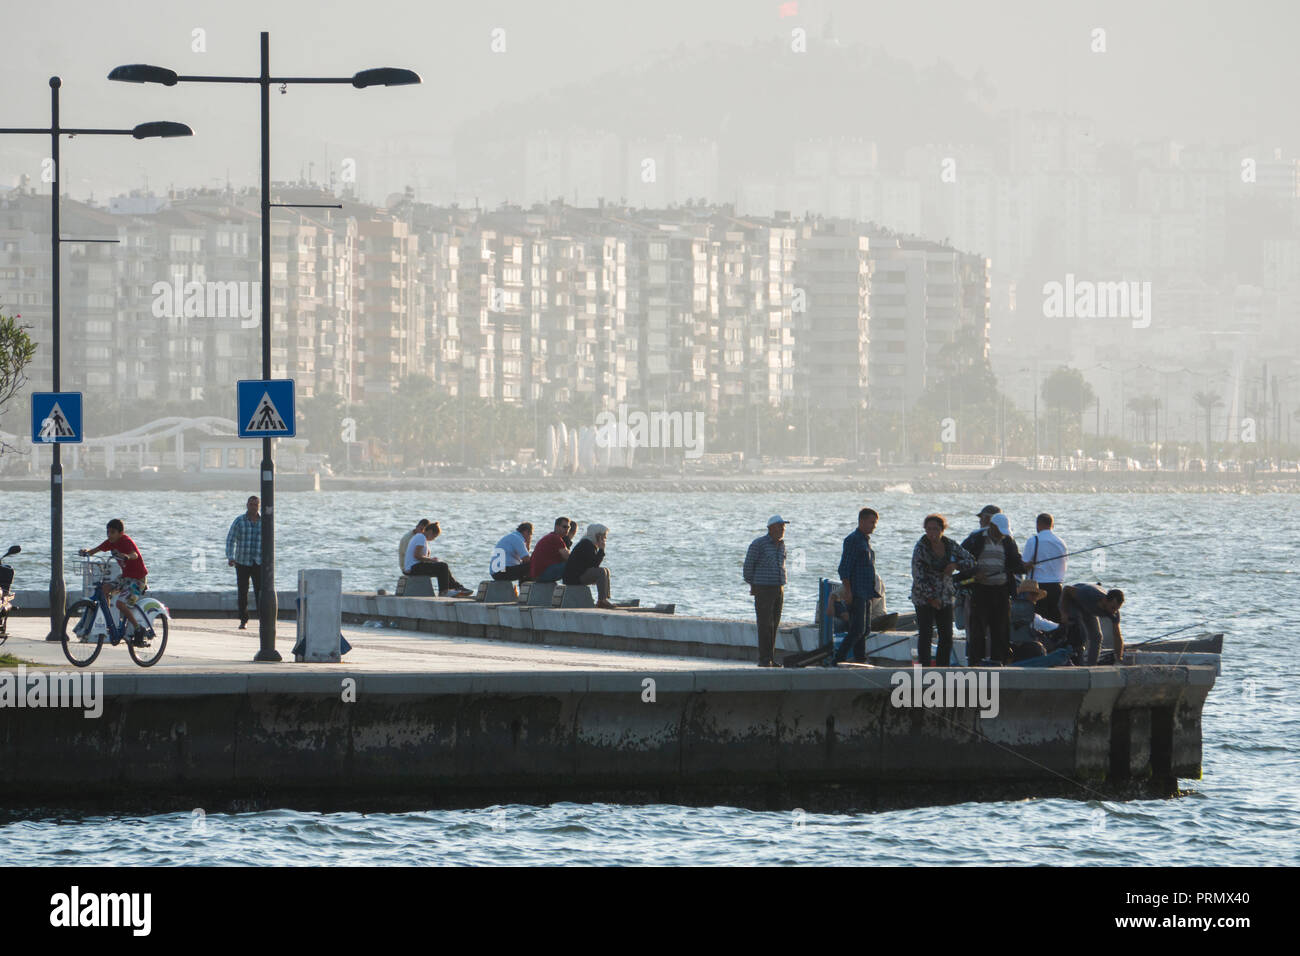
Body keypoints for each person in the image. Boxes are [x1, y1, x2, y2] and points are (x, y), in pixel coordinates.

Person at [910, 513, 976, 666]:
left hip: (946, 596)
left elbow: (971, 561)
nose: (932, 533)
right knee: (925, 634)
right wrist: (931, 598)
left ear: (942, 530)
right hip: (924, 598)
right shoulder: (920, 549)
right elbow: (918, 576)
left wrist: (956, 566)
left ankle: (942, 667)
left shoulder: (950, 545)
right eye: (929, 529)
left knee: (946, 635)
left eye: (935, 529)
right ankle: (924, 668)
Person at [962, 512, 1027, 664]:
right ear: (992, 526)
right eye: (999, 531)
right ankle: (975, 662)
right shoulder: (976, 538)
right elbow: (961, 558)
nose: (1001, 535)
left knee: (1001, 629)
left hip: (1001, 591)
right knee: (978, 629)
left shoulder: (1008, 541)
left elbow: (1015, 564)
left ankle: (999, 661)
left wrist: (1025, 566)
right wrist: (975, 572)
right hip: (980, 590)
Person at [78, 518, 149, 643]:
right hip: (125, 577)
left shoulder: (125, 542)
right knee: (104, 589)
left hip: (138, 580)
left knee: (120, 604)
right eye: (108, 532)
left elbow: (135, 555)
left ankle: (138, 629)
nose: (109, 535)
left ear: (120, 533)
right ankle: (109, 622)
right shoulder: (110, 542)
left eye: (113, 532)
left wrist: (127, 556)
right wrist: (86, 552)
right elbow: (95, 550)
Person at [835, 508, 879, 664]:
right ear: (861, 521)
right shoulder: (853, 540)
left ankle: (860, 659)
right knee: (857, 630)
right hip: (856, 592)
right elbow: (844, 569)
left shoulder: (865, 541)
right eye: (871, 522)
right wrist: (848, 592)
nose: (874, 526)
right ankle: (838, 659)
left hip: (866, 592)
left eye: (875, 523)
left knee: (865, 630)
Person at [743, 515, 788, 668]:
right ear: (770, 528)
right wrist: (754, 584)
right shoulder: (759, 544)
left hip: (778, 587)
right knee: (764, 624)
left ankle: (770, 657)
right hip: (763, 588)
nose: (782, 529)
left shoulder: (782, 545)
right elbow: (748, 567)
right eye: (779, 526)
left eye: (783, 526)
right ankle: (764, 659)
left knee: (774, 624)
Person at [403, 520, 472, 597]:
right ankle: (444, 591)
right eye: (434, 536)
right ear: (430, 531)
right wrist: (431, 560)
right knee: (443, 566)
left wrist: (431, 560)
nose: (433, 539)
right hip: (413, 568)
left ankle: (457, 587)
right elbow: (417, 556)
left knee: (442, 567)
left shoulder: (420, 538)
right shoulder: (421, 537)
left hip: (414, 567)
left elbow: (420, 557)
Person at [1060, 584, 1125, 665]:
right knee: (1081, 634)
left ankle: (1092, 665)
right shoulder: (1089, 594)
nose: (1114, 612)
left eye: (1117, 609)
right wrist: (1063, 612)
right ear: (1105, 600)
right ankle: (1076, 662)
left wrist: (1119, 658)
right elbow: (1066, 589)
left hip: (1088, 610)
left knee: (1097, 637)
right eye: (1112, 608)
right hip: (1072, 603)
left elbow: (1117, 636)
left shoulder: (1114, 614)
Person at [225, 495, 263, 630]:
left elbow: (270, 542)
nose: (253, 507)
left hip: (258, 562)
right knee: (243, 592)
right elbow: (231, 539)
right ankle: (243, 619)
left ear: (259, 506)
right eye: (251, 504)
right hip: (242, 561)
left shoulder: (264, 522)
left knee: (260, 592)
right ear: (247, 505)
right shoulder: (239, 521)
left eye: (255, 505)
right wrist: (230, 556)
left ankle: (262, 619)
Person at [1023, 513, 1068, 623]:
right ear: (1052, 525)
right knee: (1054, 623)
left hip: (1037, 589)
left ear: (1038, 524)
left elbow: (1024, 565)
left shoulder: (1033, 540)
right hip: (1057, 588)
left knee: (1038, 622)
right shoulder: (1061, 542)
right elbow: (1064, 565)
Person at [563, 523, 615, 609]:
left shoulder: (589, 544)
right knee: (601, 571)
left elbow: (592, 565)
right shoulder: (586, 545)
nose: (605, 539)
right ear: (597, 535)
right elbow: (594, 564)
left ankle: (604, 599)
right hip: (573, 578)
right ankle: (602, 600)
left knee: (606, 570)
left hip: (578, 574)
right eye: (603, 536)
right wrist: (601, 550)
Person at [529, 517, 572, 582]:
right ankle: (573, 588)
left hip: (536, 575)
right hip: (542, 574)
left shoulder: (549, 537)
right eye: (564, 527)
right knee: (572, 564)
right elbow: (568, 557)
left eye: (568, 528)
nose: (567, 530)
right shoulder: (555, 538)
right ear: (557, 527)